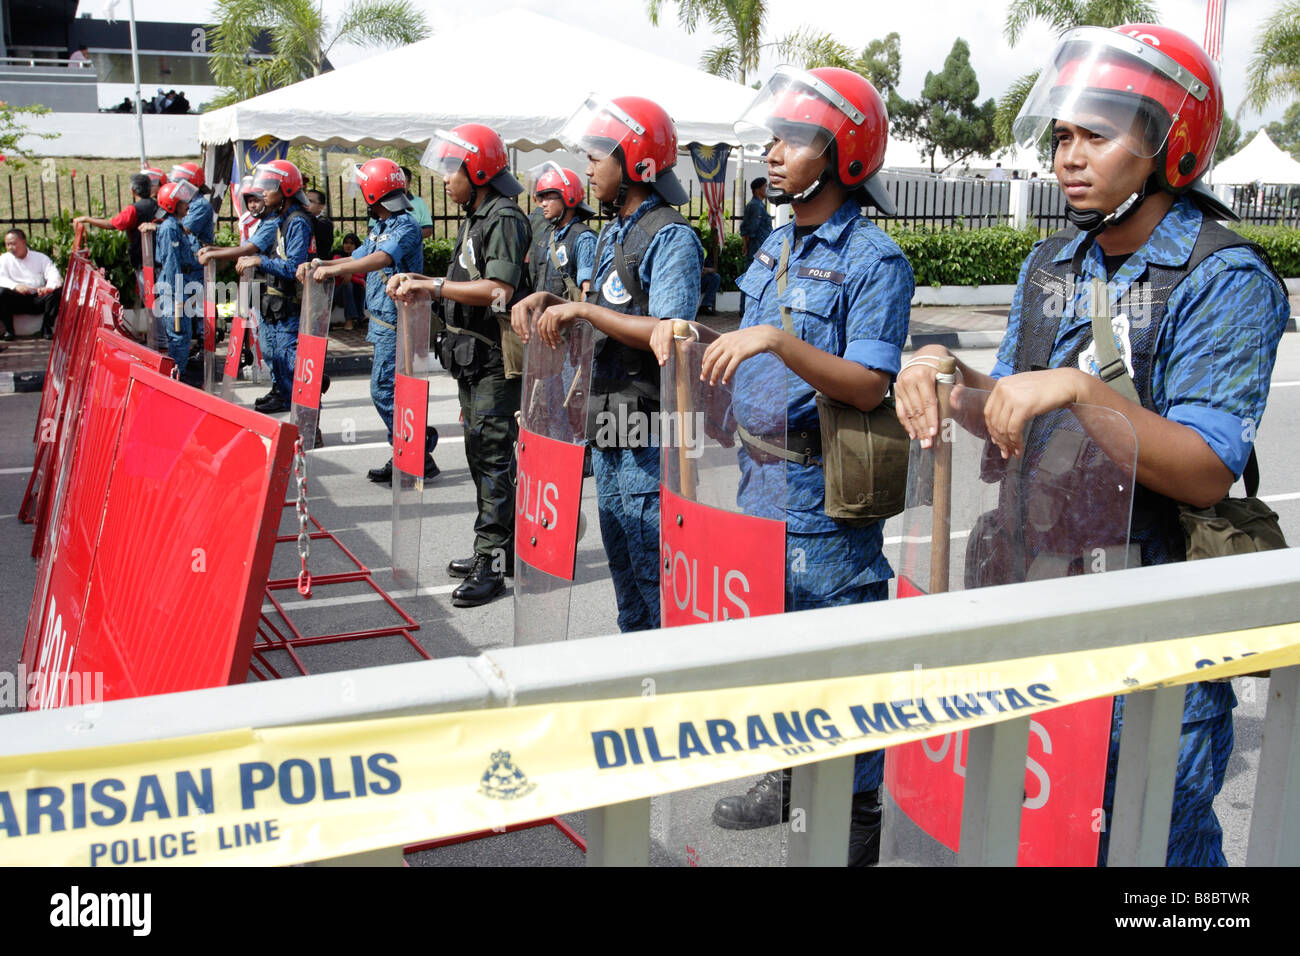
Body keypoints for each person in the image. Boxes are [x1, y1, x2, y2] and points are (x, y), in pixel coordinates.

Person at [893, 23, 1291, 867]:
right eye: (1064, 134)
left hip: (1153, 624)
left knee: (1155, 854)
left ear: (1165, 147)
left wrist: (1082, 389)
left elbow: (1207, 466)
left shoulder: (1222, 277)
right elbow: (1005, 407)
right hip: (1036, 595)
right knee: (1037, 836)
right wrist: (940, 373)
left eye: (1097, 135)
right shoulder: (1051, 263)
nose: (1070, 155)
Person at [665, 66, 910, 865]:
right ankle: (788, 776)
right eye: (772, 136)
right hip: (759, 482)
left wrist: (779, 341)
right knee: (777, 648)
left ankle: (855, 811)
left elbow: (871, 383)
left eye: (793, 138)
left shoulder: (875, 260)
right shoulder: (777, 242)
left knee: (837, 666)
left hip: (825, 491)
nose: (771, 150)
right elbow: (747, 354)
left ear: (843, 153)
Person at [512, 95, 703, 633]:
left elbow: (672, 334)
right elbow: (597, 311)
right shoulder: (613, 233)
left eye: (598, 156)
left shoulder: (670, 236)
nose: (588, 168)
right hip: (606, 419)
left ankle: (662, 682)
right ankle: (632, 666)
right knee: (622, 565)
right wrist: (549, 304)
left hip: (647, 425)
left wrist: (583, 307)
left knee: (652, 571)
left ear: (637, 160)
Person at [391, 124, 532, 608]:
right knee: (481, 455)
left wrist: (431, 285)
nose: (446, 180)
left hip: (495, 361)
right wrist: (422, 284)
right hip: (473, 362)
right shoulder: (477, 216)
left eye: (452, 170)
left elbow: (499, 289)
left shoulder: (504, 218)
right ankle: (501, 547)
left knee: (492, 458)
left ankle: (490, 561)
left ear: (479, 170)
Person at [305, 159, 430, 480]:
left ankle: (415, 448)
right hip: (382, 320)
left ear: (373, 191)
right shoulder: (381, 226)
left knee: (384, 389)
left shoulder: (405, 226)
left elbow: (381, 258)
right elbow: (360, 256)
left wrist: (333, 269)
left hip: (398, 321)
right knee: (392, 390)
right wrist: (324, 262)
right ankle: (412, 449)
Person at [233, 160, 315, 415]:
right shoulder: (283, 219)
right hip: (280, 307)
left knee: (293, 370)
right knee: (282, 366)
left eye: (269, 186)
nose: (263, 191)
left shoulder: (297, 222)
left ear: (286, 189)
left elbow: (294, 268)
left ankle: (309, 426)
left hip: (292, 308)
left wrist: (259, 260)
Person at [199, 177, 280, 403]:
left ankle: (284, 390)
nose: (253, 205)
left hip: (275, 290)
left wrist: (213, 253)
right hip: (262, 291)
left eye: (257, 200)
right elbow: (244, 248)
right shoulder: (264, 222)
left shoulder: (273, 222)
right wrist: (213, 249)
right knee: (267, 344)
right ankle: (279, 389)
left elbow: (249, 249)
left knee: (274, 346)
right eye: (250, 201)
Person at [74, 172, 158, 319]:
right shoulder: (157, 205)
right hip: (160, 257)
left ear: (133, 190)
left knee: (150, 298)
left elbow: (112, 224)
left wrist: (87, 219)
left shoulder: (134, 209)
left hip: (143, 259)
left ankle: (157, 336)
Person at [139, 180, 200, 378]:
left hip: (181, 288)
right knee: (178, 338)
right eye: (183, 202)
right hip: (175, 291)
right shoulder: (170, 229)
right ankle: (176, 380)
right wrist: (179, 296)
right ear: (173, 204)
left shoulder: (174, 226)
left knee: (182, 336)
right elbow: (172, 264)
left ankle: (178, 377)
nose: (187, 206)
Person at [526, 162, 596, 301]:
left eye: (549, 197)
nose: (543, 203)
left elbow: (588, 293)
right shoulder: (548, 235)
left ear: (568, 197)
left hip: (569, 321)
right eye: (542, 197)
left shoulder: (584, 239)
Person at [0, 229, 62, 340]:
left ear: (23, 242)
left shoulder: (40, 258)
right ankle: (9, 330)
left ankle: (46, 327)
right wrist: (15, 286)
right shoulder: (4, 259)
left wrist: (47, 288)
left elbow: (54, 275)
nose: (10, 247)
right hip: (16, 300)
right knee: (1, 292)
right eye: (8, 244)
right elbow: (1, 278)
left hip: (37, 298)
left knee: (56, 291)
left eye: (13, 243)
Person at [739, 177, 771, 314]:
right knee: (752, 276)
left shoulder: (757, 205)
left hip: (759, 246)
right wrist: (746, 245)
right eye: (765, 186)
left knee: (753, 276)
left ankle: (746, 308)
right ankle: (745, 309)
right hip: (758, 247)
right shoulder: (756, 206)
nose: (767, 189)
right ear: (758, 190)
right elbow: (750, 228)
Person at [332, 233, 365, 330]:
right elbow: (339, 272)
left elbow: (362, 274)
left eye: (351, 243)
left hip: (353, 295)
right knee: (348, 284)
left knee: (357, 286)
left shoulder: (360, 260)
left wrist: (349, 274)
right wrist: (359, 279)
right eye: (346, 243)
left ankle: (359, 317)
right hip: (338, 295)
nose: (348, 246)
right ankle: (349, 320)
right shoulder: (337, 257)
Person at [400, 167, 435, 239]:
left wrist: (408, 236)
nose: (400, 186)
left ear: (409, 184)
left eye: (403, 183)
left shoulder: (419, 202)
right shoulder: (383, 203)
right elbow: (372, 228)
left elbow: (428, 229)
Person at [305, 189, 335, 258]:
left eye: (310, 201)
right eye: (304, 200)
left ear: (320, 207)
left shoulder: (325, 223)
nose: (305, 203)